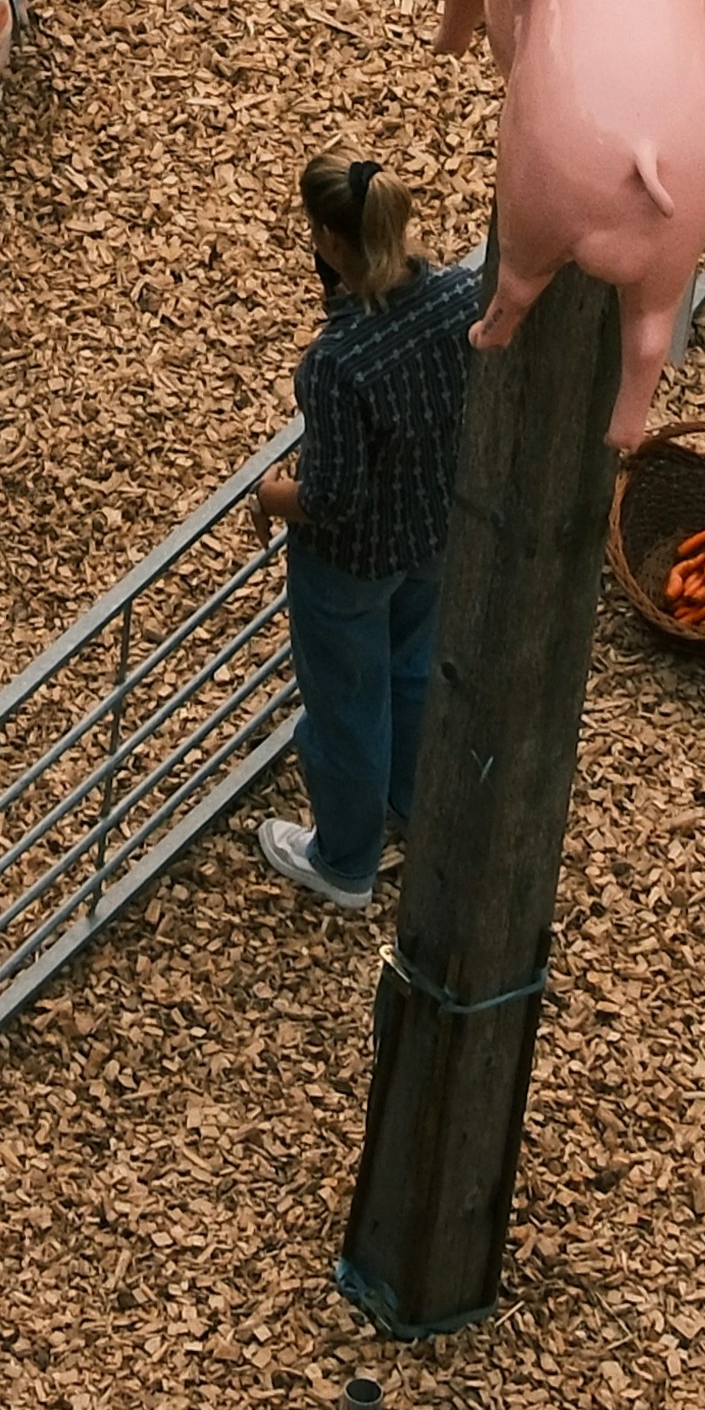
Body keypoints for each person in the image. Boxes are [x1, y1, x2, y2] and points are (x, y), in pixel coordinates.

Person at [244, 146, 480, 911]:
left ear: (330, 242)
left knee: (347, 702)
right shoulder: (457, 296)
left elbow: (333, 497)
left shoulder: (336, 365)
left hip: (350, 564)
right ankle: (409, 801)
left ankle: (345, 861)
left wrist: (270, 494)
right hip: (433, 530)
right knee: (411, 668)